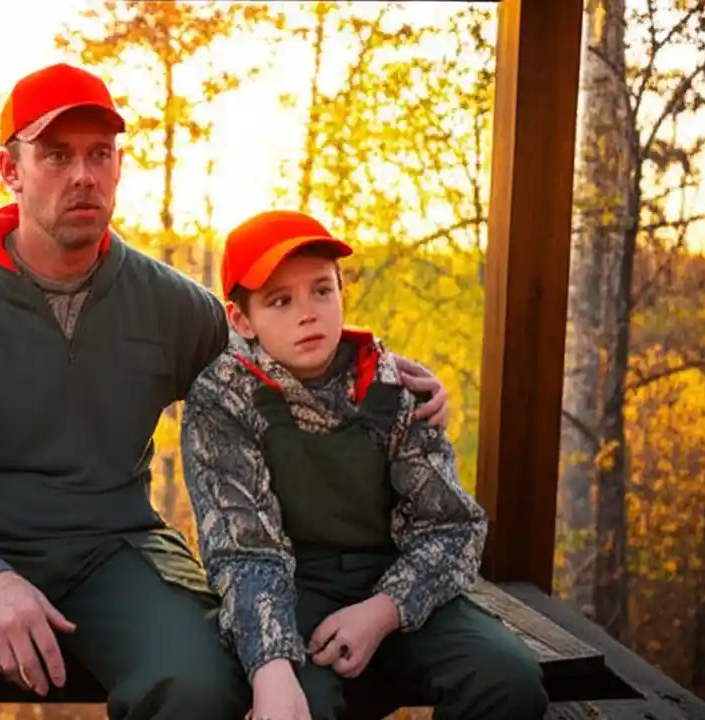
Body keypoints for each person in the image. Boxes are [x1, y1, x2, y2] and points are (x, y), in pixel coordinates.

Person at [0, 63, 452, 720]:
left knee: (200, 681)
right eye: (56, 155)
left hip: (114, 551)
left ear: (119, 167)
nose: (83, 175)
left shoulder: (166, 304)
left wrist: (385, 372)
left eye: (100, 154)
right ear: (11, 170)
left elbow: (281, 358)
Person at [179, 209, 550, 720]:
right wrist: (271, 666)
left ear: (342, 291)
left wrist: (382, 612)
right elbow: (243, 553)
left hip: (398, 584)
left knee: (507, 681)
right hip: (287, 595)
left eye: (322, 291)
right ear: (242, 320)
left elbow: (453, 528)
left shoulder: (395, 388)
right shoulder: (224, 400)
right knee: (298, 706)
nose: (308, 314)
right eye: (280, 301)